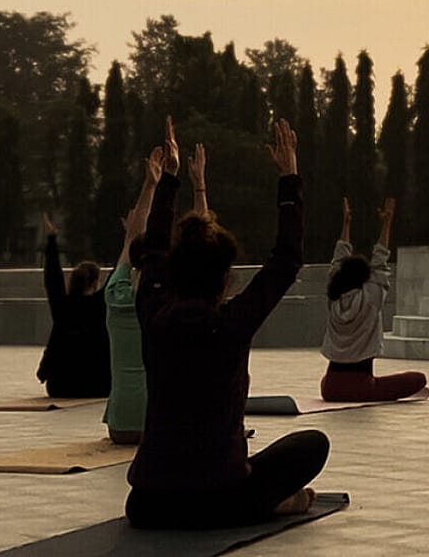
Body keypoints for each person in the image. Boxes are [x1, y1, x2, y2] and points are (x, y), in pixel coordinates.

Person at [126, 118, 328, 529]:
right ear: (224, 279)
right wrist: (289, 179)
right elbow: (286, 260)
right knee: (312, 444)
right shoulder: (230, 324)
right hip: (218, 491)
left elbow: (154, 253)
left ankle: (246, 503)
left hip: (149, 501)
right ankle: (263, 504)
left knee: (168, 495)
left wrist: (169, 181)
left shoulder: (155, 317)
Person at [320, 196, 428, 403]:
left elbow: (338, 261)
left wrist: (346, 224)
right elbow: (379, 262)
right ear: (364, 278)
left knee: (334, 382)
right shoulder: (370, 298)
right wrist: (386, 224)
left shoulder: (334, 300)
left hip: (330, 388)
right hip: (361, 387)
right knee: (418, 379)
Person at [101, 146, 162, 444]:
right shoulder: (161, 306)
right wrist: (199, 187)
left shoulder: (115, 295)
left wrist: (149, 186)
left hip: (120, 427)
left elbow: (131, 240)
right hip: (156, 424)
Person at [37, 213, 110, 399]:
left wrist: (51, 239)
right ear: (95, 283)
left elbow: (52, 278)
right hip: (98, 384)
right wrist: (130, 238)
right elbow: (118, 276)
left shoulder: (63, 307)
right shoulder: (100, 304)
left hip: (61, 385)